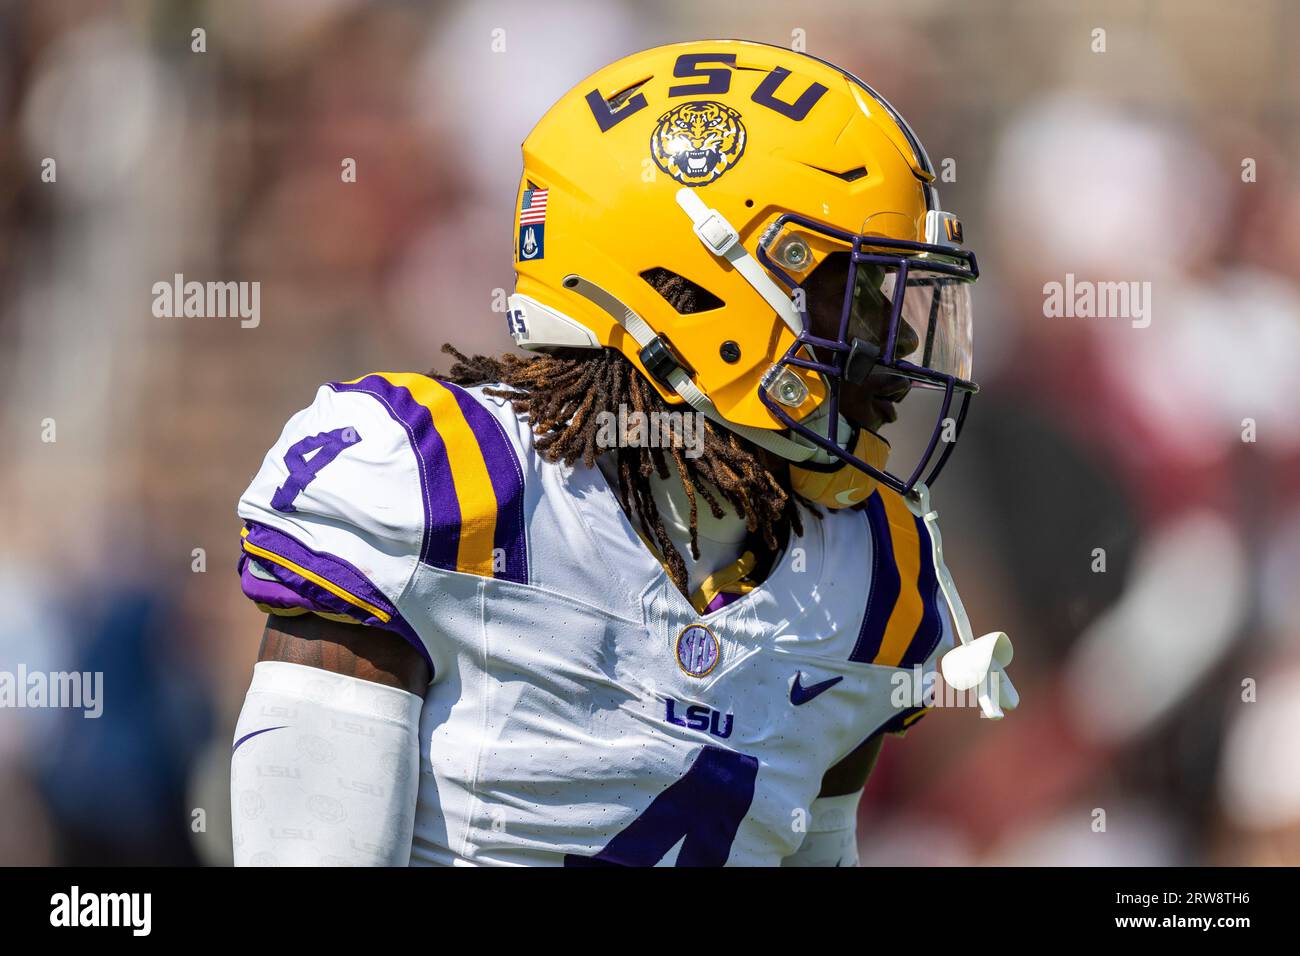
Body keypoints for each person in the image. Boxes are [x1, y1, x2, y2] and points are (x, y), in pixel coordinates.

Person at [229, 39, 1012, 867]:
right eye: (855, 298)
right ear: (701, 285)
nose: (891, 357)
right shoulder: (442, 483)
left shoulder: (869, 575)